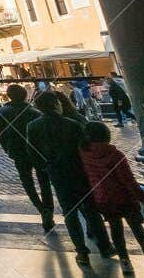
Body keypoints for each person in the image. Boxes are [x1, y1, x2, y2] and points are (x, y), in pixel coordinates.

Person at [27, 91, 113, 266]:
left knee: (69, 213)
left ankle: (81, 251)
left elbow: (32, 153)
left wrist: (45, 168)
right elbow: (85, 148)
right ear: (56, 104)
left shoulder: (33, 126)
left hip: (57, 174)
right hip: (79, 172)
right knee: (90, 209)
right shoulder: (73, 124)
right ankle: (105, 246)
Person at [80, 120, 144, 274]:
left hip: (103, 198)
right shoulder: (115, 154)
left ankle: (125, 261)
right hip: (124, 197)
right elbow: (128, 180)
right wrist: (142, 198)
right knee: (137, 227)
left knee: (116, 230)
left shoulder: (84, 154)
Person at [0, 84, 55, 231]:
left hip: (18, 152)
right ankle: (48, 211)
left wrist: (8, 150)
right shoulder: (33, 111)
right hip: (37, 152)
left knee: (27, 183)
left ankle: (42, 209)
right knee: (44, 182)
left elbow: (1, 135)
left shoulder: (2, 112)